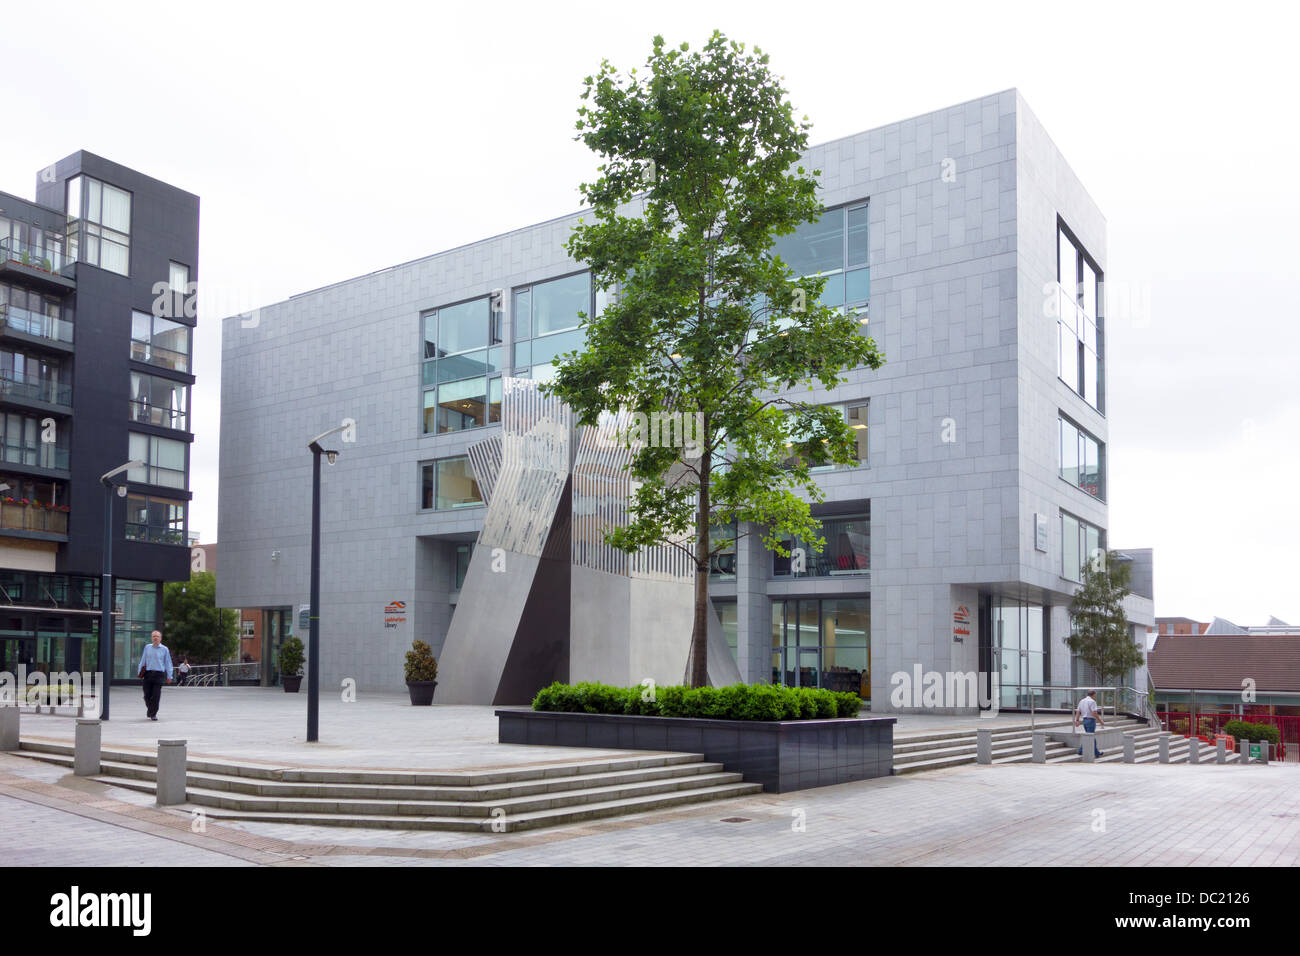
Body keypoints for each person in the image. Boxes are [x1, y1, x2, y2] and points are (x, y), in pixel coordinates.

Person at [137, 631, 173, 721]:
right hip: (148, 674)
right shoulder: (147, 647)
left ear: (160, 638)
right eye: (153, 636)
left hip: (159, 675)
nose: (155, 638)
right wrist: (139, 671)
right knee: (147, 695)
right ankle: (150, 709)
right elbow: (143, 660)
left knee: (156, 696)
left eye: (157, 636)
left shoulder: (165, 649)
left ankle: (153, 714)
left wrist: (170, 676)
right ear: (151, 638)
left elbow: (168, 663)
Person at [1074, 689, 1105, 757]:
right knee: (1091, 737)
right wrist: (1100, 721)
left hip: (1085, 720)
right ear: (1093, 695)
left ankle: (1082, 751)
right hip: (1091, 720)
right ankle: (1096, 753)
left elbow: (1078, 711)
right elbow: (1094, 713)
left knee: (1089, 736)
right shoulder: (1092, 701)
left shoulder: (1082, 701)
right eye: (1095, 695)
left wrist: (1077, 720)